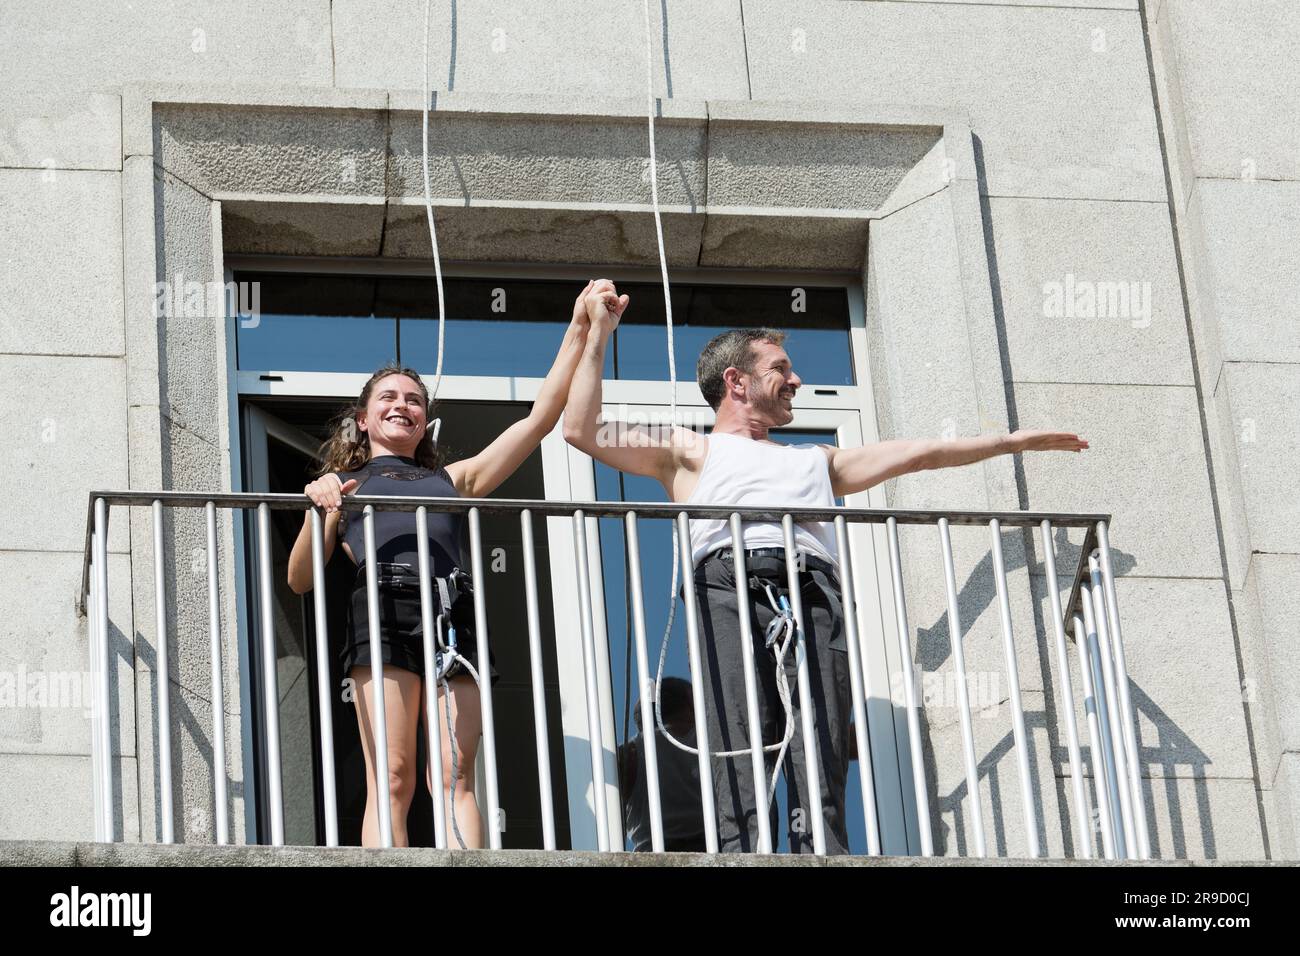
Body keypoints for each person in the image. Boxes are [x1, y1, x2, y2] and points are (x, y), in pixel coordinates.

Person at [563, 279, 1088, 854]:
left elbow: (920, 454)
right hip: (727, 586)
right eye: (780, 368)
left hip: (811, 593)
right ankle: (741, 855)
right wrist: (596, 337)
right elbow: (580, 430)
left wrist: (1009, 442)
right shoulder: (690, 451)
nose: (796, 381)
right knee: (740, 729)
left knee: (820, 731)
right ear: (736, 382)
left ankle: (823, 853)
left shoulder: (817, 461)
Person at [286, 281, 595, 848]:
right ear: (362, 418)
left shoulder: (453, 480)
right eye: (388, 397)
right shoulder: (345, 485)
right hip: (380, 610)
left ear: (425, 420)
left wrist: (580, 328)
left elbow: (539, 420)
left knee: (453, 775)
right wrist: (321, 506)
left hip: (453, 611)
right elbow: (301, 579)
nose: (401, 404)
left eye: (413, 400)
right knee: (393, 775)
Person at [617, 677, 707, 853]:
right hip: (712, 848)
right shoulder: (712, 743)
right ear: (690, 700)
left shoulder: (630, 753)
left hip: (652, 853)